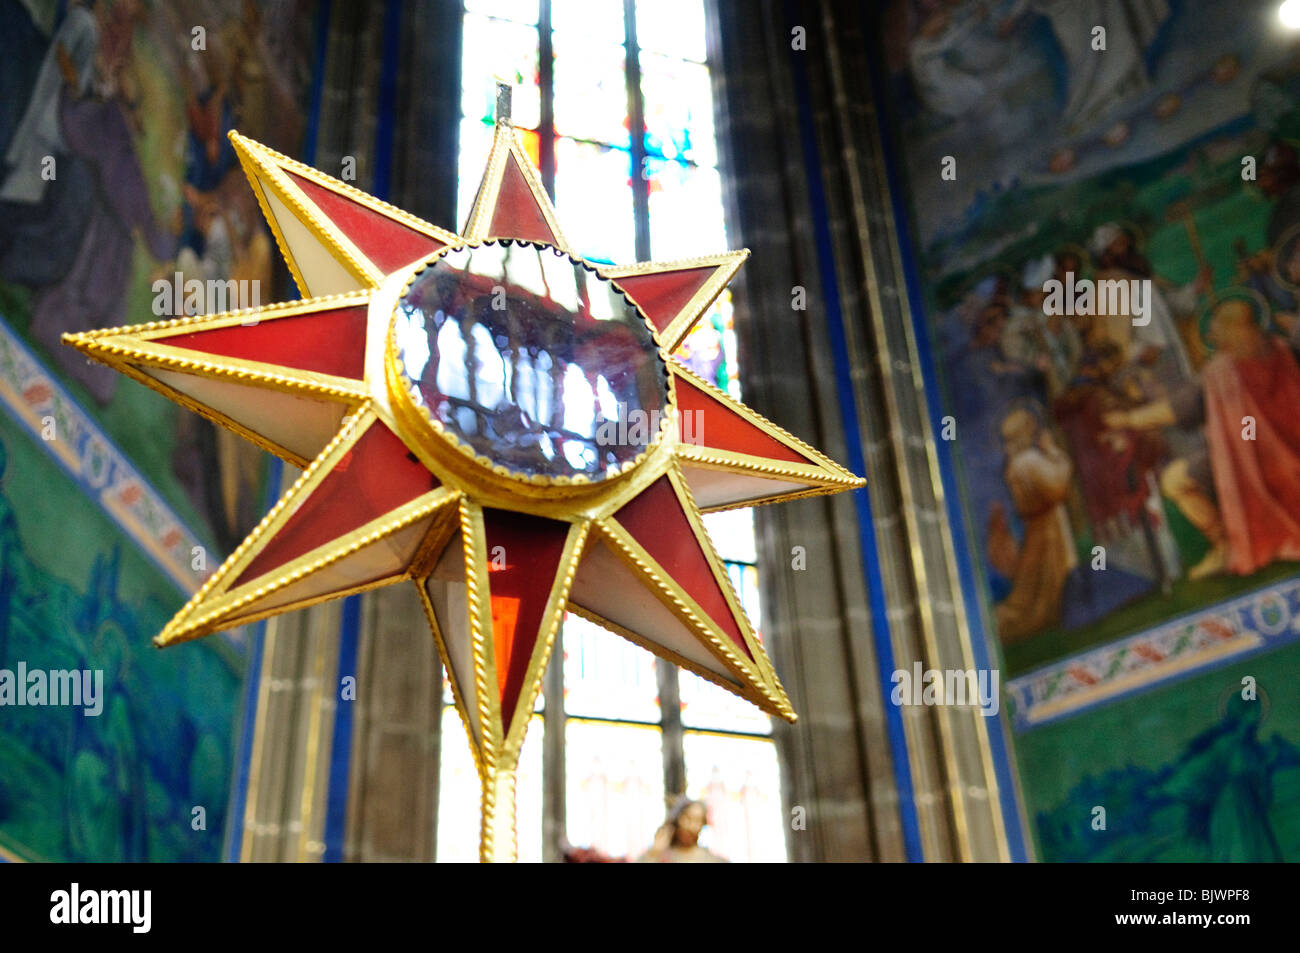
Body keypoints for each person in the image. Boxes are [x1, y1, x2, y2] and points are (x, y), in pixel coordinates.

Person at [636, 797, 727, 863]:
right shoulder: (661, 855)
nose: (691, 826)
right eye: (687, 818)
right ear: (677, 819)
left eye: (697, 820)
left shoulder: (711, 860)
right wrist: (653, 853)